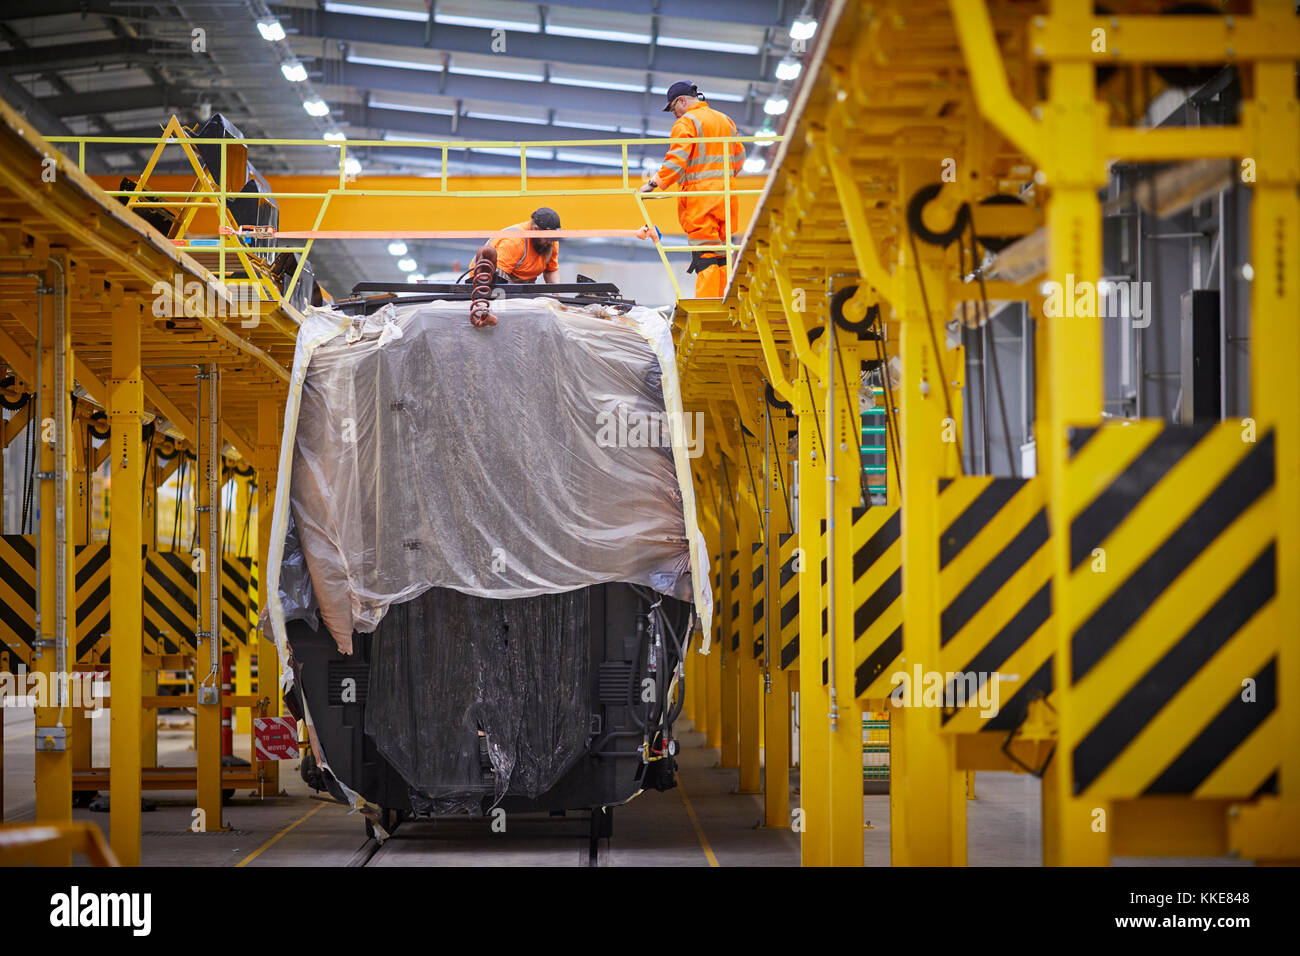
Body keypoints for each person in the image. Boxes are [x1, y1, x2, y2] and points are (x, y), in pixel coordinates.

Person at [640, 81, 744, 297]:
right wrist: (722, 179)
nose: (674, 114)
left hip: (701, 196)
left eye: (673, 108)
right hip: (726, 194)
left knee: (705, 253)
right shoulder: (725, 120)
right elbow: (739, 158)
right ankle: (726, 300)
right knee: (723, 252)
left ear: (682, 101)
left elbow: (677, 159)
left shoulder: (686, 123)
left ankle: (707, 305)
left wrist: (653, 184)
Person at [480, 207, 562, 284]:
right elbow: (498, 277)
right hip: (486, 283)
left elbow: (551, 270)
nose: (550, 242)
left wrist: (557, 295)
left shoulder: (550, 242)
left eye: (553, 238)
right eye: (548, 238)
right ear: (535, 230)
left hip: (522, 288)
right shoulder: (514, 241)